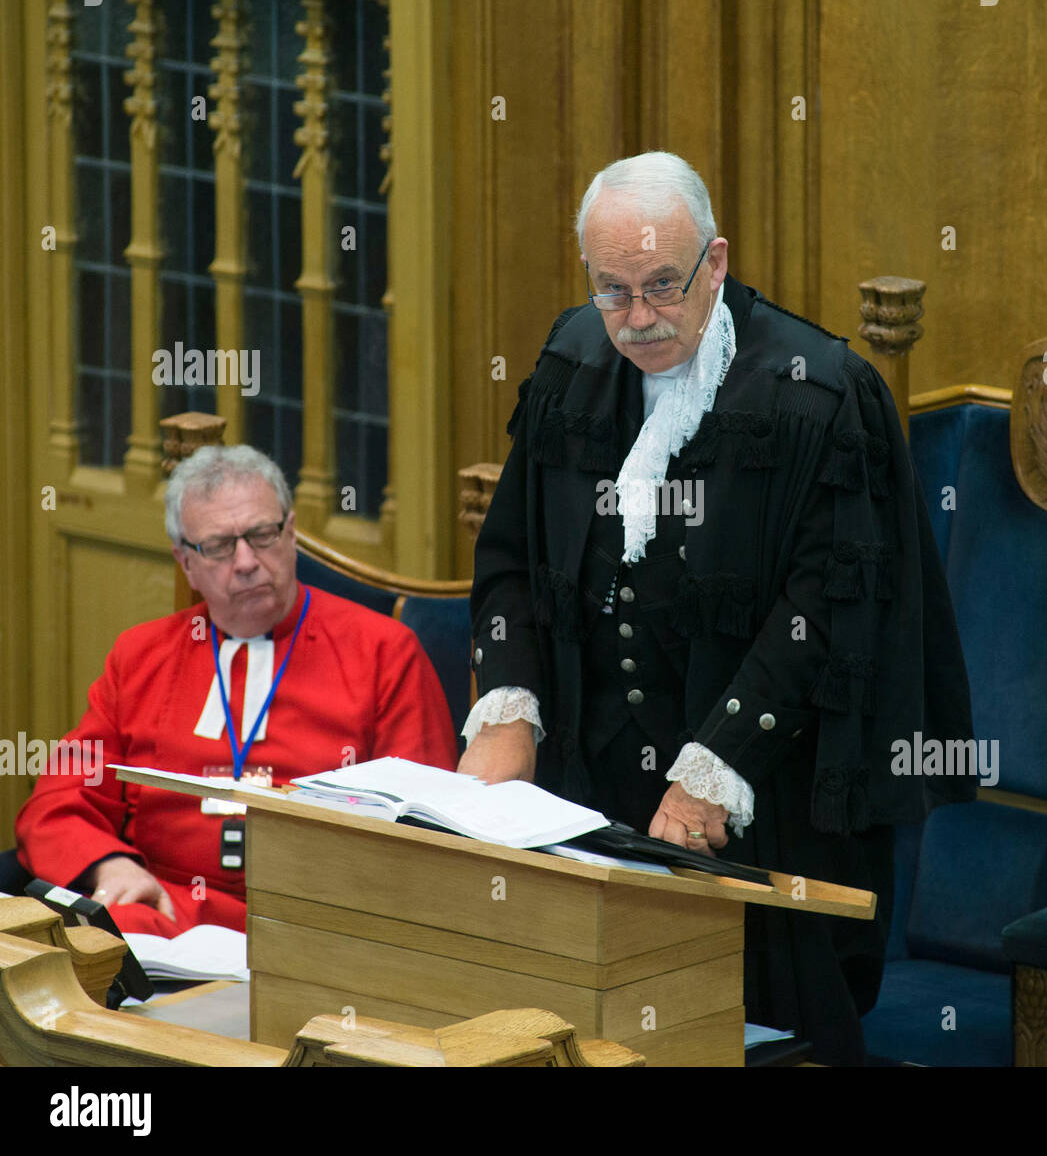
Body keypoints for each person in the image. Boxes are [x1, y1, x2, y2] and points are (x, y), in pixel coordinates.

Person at [461, 151, 974, 1065]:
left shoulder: (818, 394)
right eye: (612, 291)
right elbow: (510, 558)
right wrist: (509, 703)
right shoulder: (571, 360)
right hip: (590, 798)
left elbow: (834, 602)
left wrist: (719, 761)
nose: (639, 318)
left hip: (760, 806)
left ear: (718, 262)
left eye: (662, 285)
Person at [15, 445, 458, 937]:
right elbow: (57, 805)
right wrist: (111, 868)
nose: (246, 562)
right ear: (186, 562)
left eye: (262, 535)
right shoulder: (141, 655)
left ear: (289, 533)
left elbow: (426, 835)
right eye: (220, 546)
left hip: (320, 928)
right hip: (161, 913)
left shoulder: (384, 652)